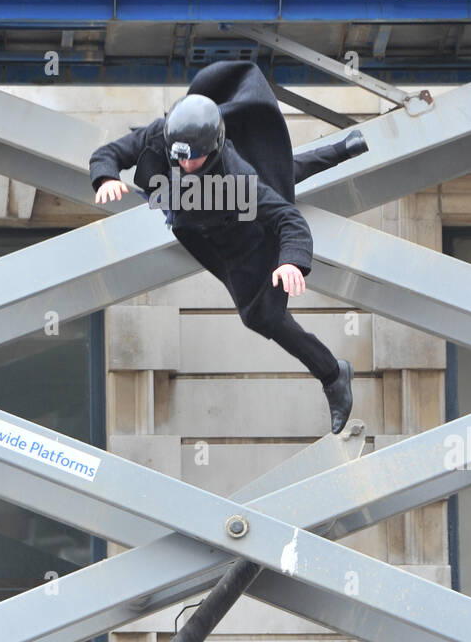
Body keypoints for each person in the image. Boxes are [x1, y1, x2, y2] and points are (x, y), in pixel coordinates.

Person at [89, 62, 369, 434]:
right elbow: (109, 152)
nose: (187, 165)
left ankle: (334, 375)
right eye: (181, 157)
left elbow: (288, 219)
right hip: (188, 212)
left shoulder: (237, 177)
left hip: (236, 233)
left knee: (260, 314)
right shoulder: (163, 135)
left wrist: (292, 263)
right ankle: (343, 148)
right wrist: (106, 176)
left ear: (215, 148)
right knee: (278, 170)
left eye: (195, 159)